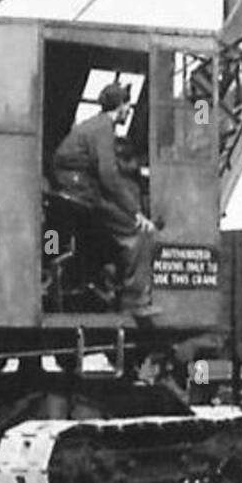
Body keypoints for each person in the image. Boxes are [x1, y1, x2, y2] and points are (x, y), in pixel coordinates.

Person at [51, 82, 157, 317]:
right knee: (139, 234)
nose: (129, 111)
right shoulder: (103, 129)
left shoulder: (92, 126)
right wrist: (135, 212)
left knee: (113, 233)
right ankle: (136, 303)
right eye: (128, 106)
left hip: (73, 187)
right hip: (81, 191)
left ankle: (108, 290)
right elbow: (108, 176)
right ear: (120, 107)